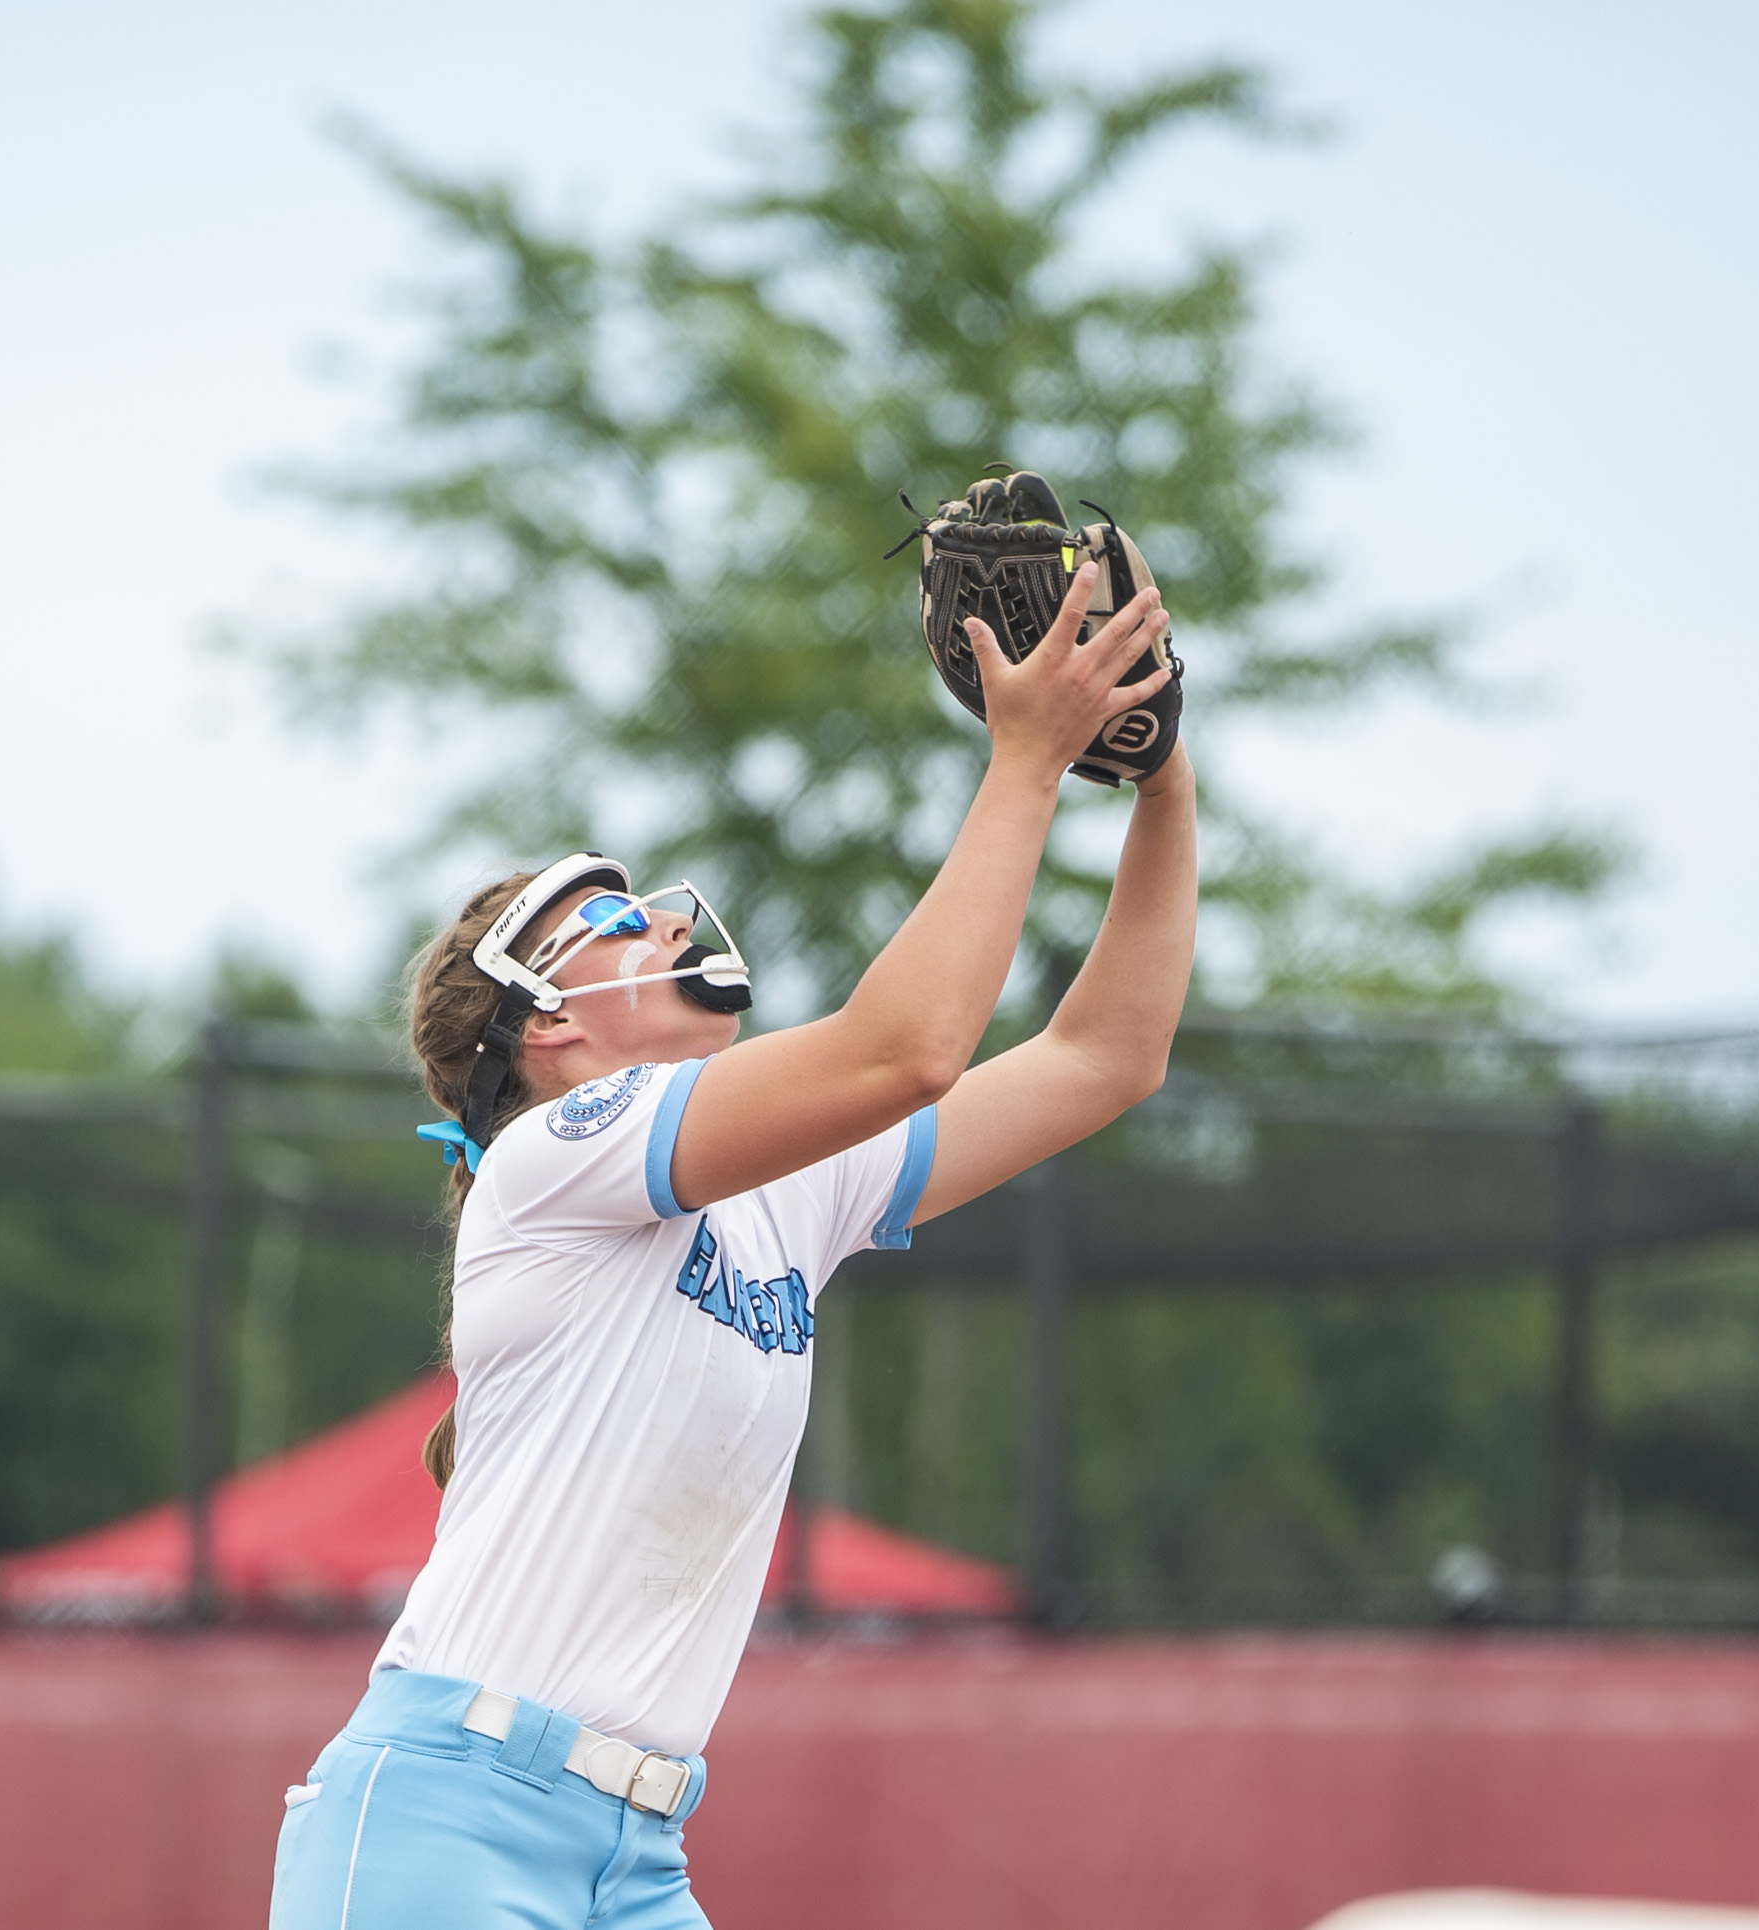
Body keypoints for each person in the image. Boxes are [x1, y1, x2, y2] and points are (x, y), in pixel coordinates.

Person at [268, 564, 1193, 1929]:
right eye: (607, 920)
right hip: (445, 1821)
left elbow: (1106, 1054)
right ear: (548, 1032)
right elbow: (911, 1048)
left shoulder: (788, 1189)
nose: (658, 919)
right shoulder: (555, 1152)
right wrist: (1029, 759)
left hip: (634, 1855)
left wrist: (1163, 780)